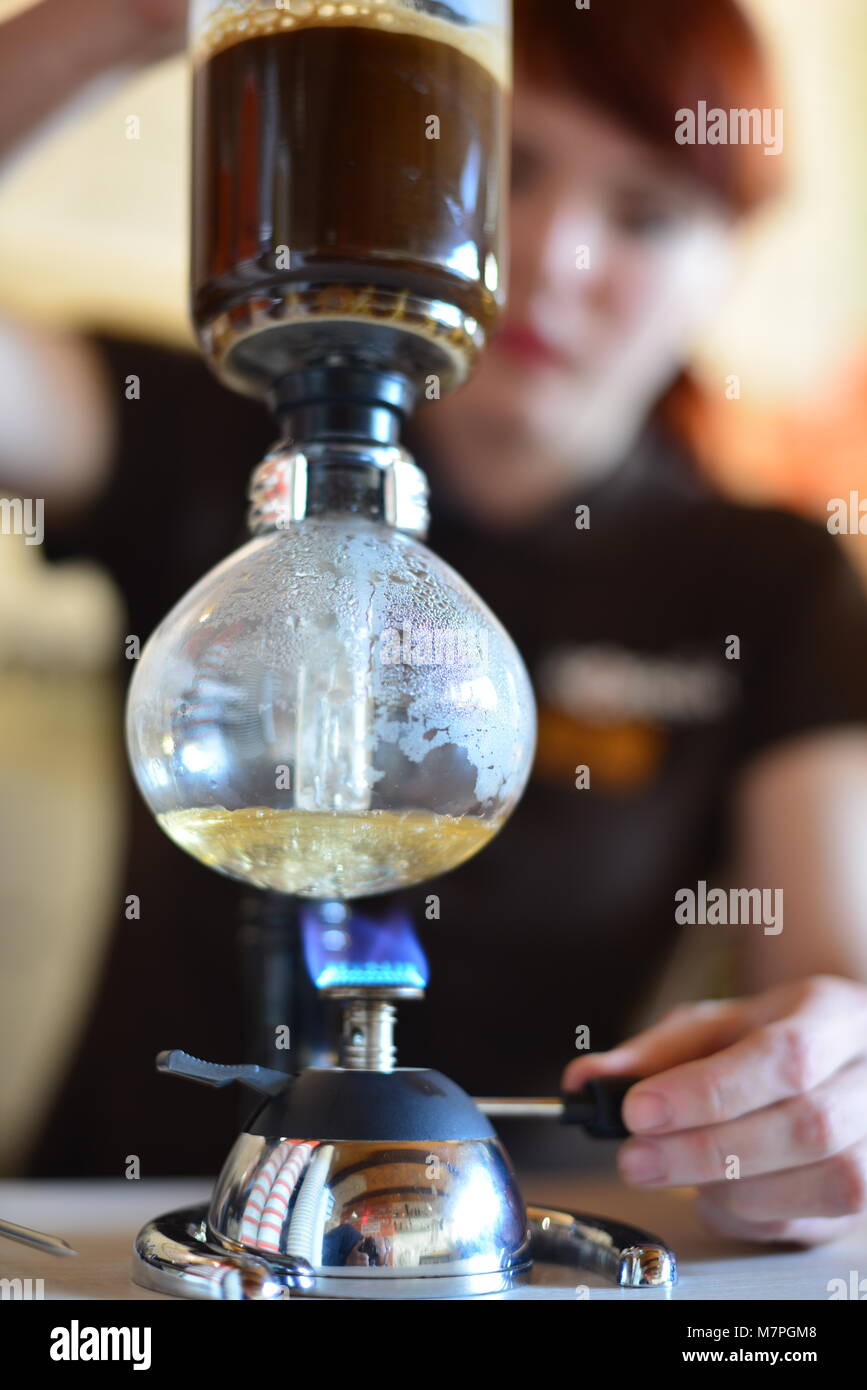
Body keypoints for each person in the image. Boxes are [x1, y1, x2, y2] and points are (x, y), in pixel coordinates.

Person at [1, 0, 866, 1250]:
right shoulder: (192, 430)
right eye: (514, 167)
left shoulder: (765, 580)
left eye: (646, 215)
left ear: (727, 258)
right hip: (105, 1231)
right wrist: (129, 15)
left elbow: (827, 971)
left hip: (526, 1238)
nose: (557, 254)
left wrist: (821, 1093)